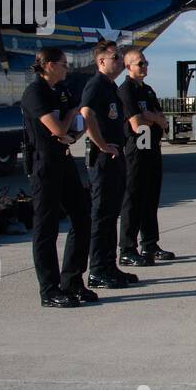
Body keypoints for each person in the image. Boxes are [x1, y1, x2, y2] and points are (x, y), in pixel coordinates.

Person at [19, 47, 94, 308]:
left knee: (82, 217)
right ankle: (49, 290)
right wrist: (72, 115)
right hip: (44, 165)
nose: (66, 68)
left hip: (63, 159)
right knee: (46, 228)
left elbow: (69, 132)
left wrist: (72, 128)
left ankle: (72, 280)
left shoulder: (60, 91)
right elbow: (58, 127)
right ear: (48, 65)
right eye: (63, 64)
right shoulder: (35, 93)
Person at [79, 40, 136, 290]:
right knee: (101, 216)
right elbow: (86, 113)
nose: (120, 61)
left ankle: (109, 266)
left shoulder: (110, 87)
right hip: (102, 159)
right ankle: (98, 270)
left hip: (116, 157)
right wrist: (101, 144)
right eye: (115, 57)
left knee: (112, 213)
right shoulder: (96, 85)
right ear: (101, 61)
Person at [117, 47, 174, 266]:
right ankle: (127, 248)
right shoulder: (126, 90)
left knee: (151, 197)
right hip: (136, 150)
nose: (145, 66)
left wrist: (152, 117)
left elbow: (163, 120)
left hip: (152, 148)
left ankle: (150, 243)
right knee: (133, 199)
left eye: (146, 62)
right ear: (128, 66)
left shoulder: (147, 90)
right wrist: (153, 118)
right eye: (140, 63)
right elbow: (137, 123)